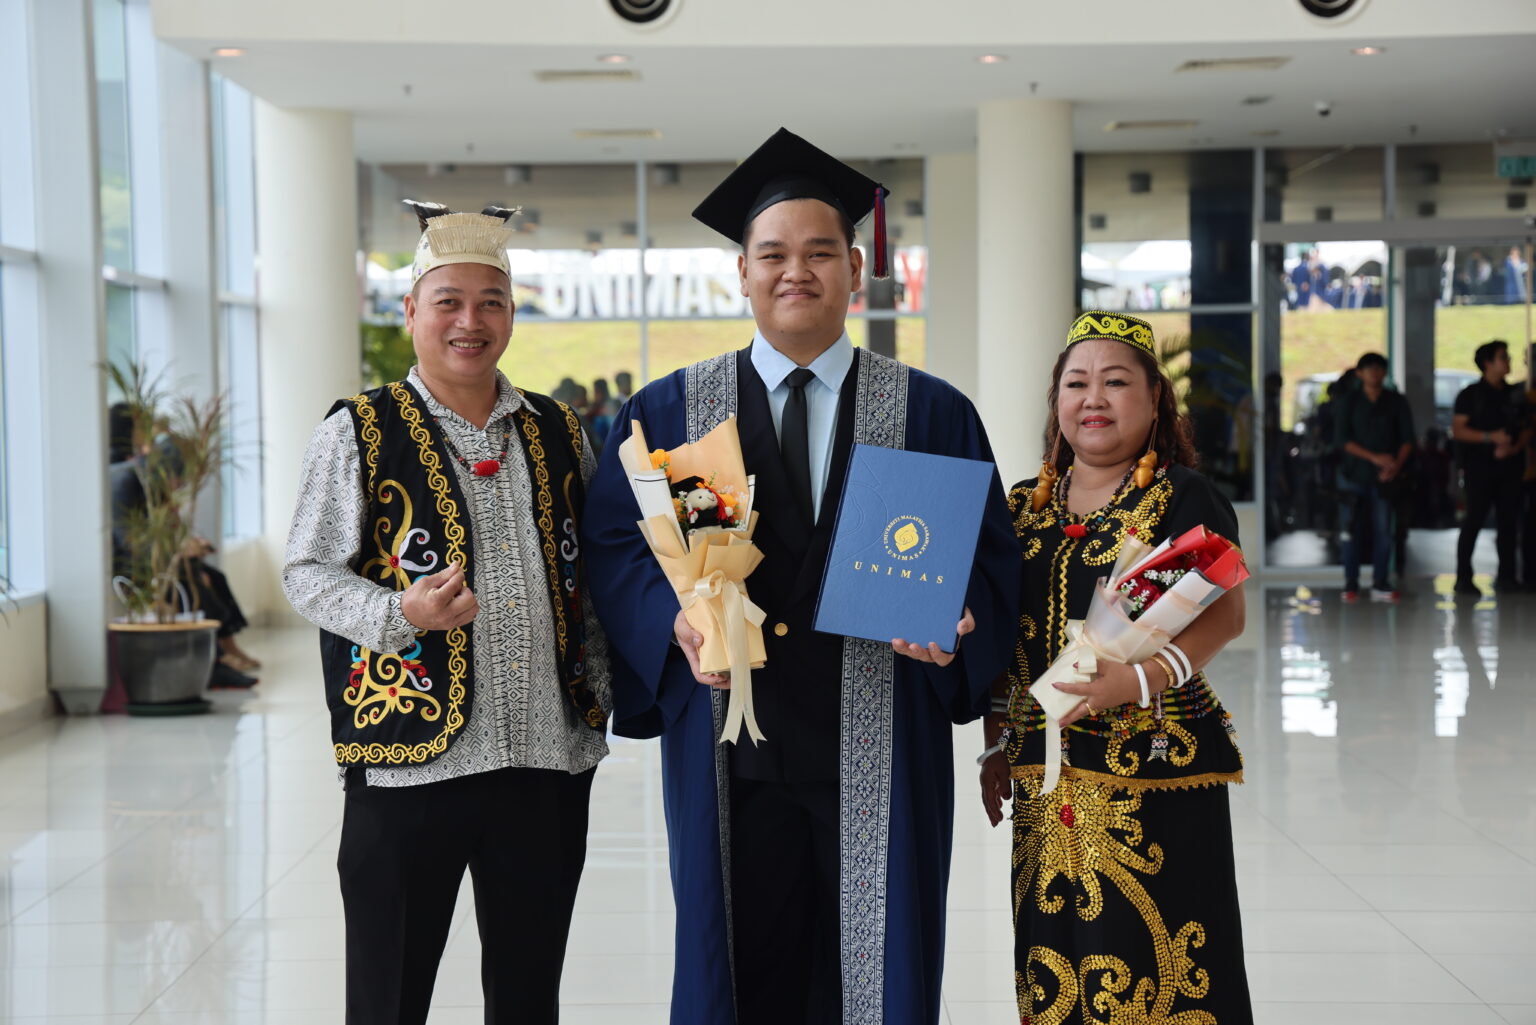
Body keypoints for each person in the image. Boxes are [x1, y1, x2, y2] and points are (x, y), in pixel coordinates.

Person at [581, 128, 1019, 1025]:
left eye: (821, 252)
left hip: (881, 739)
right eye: (772, 254)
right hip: (726, 747)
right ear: (739, 273)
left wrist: (961, 621)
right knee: (735, 971)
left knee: (877, 971)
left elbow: (988, 560)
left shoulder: (932, 412)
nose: (797, 271)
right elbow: (618, 547)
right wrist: (673, 626)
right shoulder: (673, 411)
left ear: (856, 268)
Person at [282, 201, 611, 1025]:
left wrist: (611, 685)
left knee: (529, 994)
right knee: (390, 998)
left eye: (491, 301)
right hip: (408, 763)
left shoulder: (562, 430)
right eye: (449, 301)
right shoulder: (357, 431)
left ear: (511, 310)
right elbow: (304, 569)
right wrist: (400, 611)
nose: (471, 321)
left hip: (546, 760)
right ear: (411, 312)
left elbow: (597, 577)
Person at [980, 310, 1252, 1025]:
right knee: (1056, 965)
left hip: (1153, 776)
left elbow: (1226, 614)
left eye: (1115, 381)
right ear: (1056, 402)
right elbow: (1009, 641)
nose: (1092, 397)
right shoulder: (1021, 509)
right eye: (1076, 383)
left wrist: (1133, 681)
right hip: (1046, 777)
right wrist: (993, 741)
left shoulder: (1180, 495)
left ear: (1155, 398)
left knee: (1163, 958)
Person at [1451, 340, 1531, 595]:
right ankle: (1464, 577)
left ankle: (1507, 576)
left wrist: (1514, 447)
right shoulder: (1471, 395)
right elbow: (1459, 429)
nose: (1508, 361)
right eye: (1502, 357)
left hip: (1510, 468)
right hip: (1480, 468)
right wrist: (1490, 438)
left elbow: (1529, 427)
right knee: (1473, 521)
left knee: (1508, 524)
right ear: (1488, 363)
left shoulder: (1515, 395)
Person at [1336, 352, 1414, 602]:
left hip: (1385, 478)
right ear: (1359, 373)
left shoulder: (1396, 401)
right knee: (1351, 530)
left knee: (1384, 530)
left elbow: (1407, 439)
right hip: (1354, 475)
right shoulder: (1349, 401)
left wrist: (1395, 466)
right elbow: (1342, 440)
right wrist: (1374, 457)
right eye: (1369, 368)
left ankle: (1381, 582)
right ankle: (1351, 583)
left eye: (1379, 368)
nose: (1374, 372)